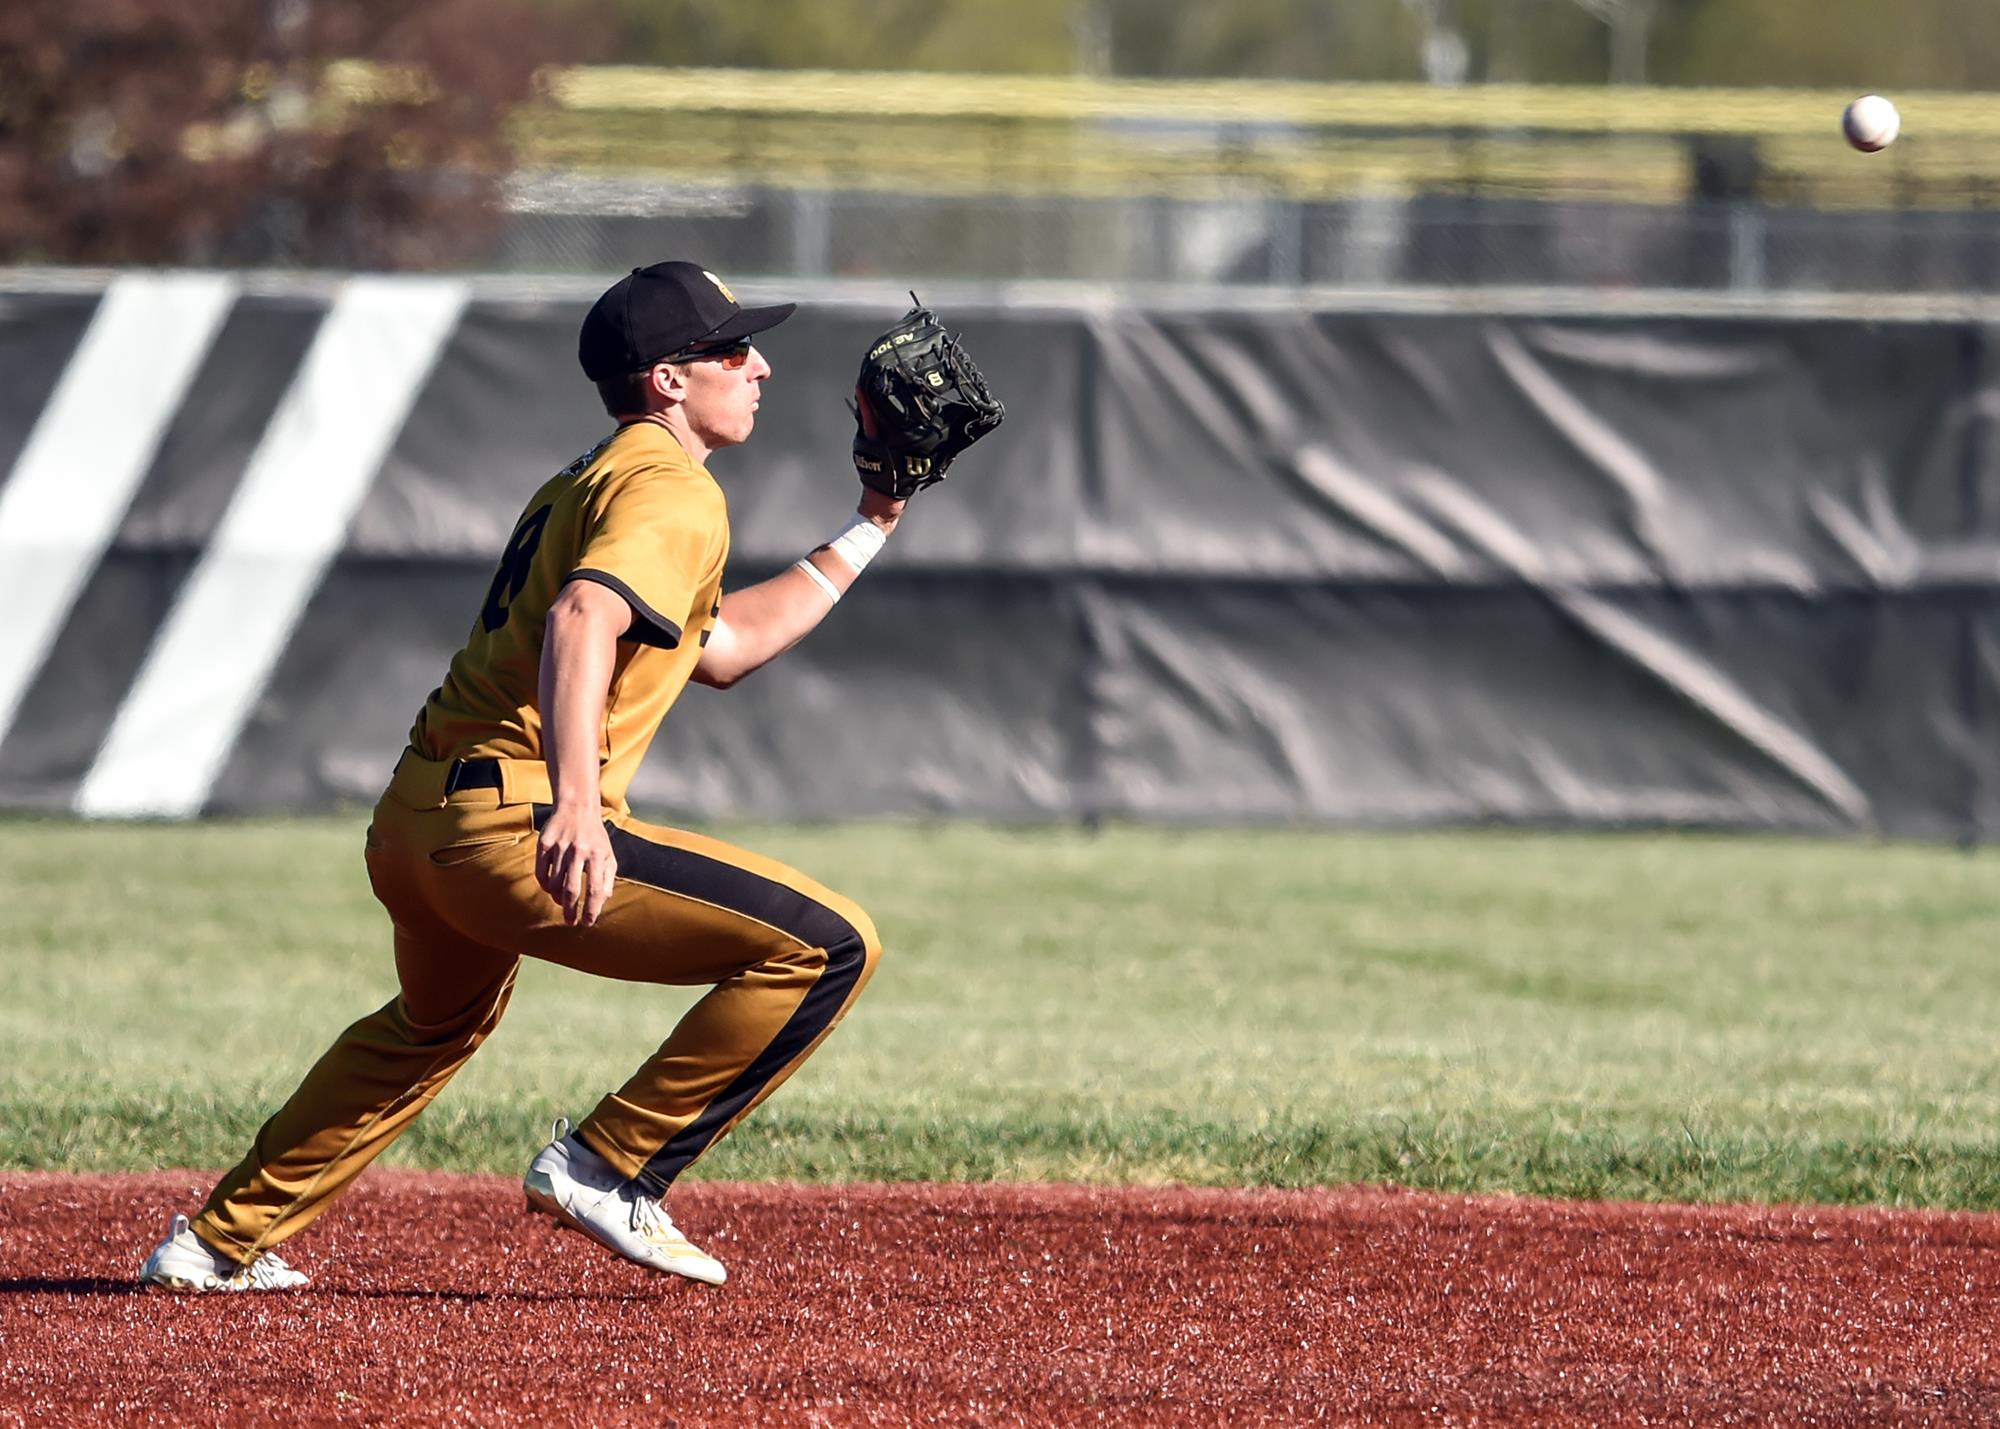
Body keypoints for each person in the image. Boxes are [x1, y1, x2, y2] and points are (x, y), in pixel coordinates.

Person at [139, 261, 908, 1291]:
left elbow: (718, 646)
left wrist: (873, 518)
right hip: (509, 821)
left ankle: (215, 1241)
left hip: (418, 819)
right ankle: (611, 1164)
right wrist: (580, 809)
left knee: (430, 1025)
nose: (759, 364)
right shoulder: (672, 487)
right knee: (826, 945)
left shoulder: (596, 476)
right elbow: (583, 616)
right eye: (732, 348)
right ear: (669, 380)